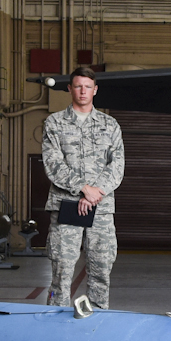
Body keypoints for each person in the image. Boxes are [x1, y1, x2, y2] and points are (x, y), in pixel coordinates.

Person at [42, 67, 125, 308]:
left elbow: (117, 164)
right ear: (69, 88)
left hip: (100, 207)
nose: (82, 91)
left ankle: (98, 320)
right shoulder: (55, 123)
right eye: (78, 86)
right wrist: (82, 188)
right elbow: (52, 162)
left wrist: (95, 191)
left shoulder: (110, 125)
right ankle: (54, 323)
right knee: (62, 269)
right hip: (66, 205)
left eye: (87, 87)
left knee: (101, 268)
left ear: (95, 90)